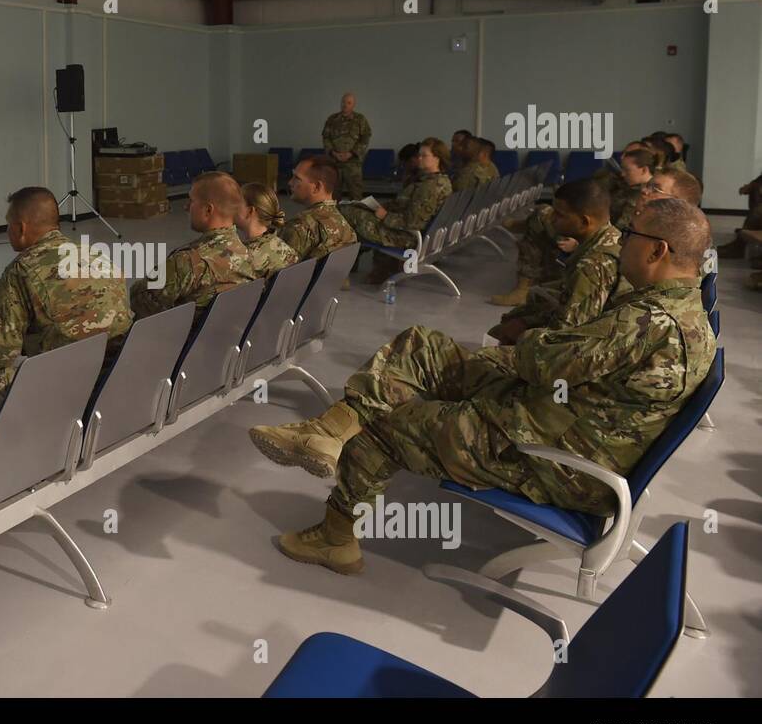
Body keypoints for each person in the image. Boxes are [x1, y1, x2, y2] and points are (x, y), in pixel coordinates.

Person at [248, 197, 715, 575]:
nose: (622, 243)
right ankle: (332, 429)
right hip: (561, 422)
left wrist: (536, 338)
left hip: (557, 458)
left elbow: (538, 360)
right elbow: (558, 360)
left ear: (658, 251)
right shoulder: (681, 313)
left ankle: (336, 538)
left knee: (395, 424)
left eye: (631, 236)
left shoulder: (645, 322)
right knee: (422, 346)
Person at [0, 186, 132, 441]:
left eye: (9, 225)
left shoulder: (21, 270)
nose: (7, 232)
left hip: (63, 382)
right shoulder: (98, 255)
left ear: (21, 228)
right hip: (113, 372)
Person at [488, 179, 623, 345]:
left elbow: (568, 333)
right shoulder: (612, 236)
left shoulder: (591, 265)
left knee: (508, 331)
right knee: (523, 311)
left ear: (584, 222)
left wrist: (525, 330)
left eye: (559, 215)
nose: (551, 219)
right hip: (602, 323)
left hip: (600, 342)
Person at [130, 172, 258, 323]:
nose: (186, 206)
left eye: (191, 201)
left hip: (181, 342)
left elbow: (138, 297)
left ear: (208, 210)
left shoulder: (188, 261)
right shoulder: (249, 254)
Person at [341, 138, 452, 285]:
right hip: (411, 232)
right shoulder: (437, 181)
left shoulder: (429, 187)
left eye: (424, 155)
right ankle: (368, 269)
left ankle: (344, 271)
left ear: (437, 158)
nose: (419, 158)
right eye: (419, 155)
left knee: (348, 215)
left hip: (406, 236)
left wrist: (385, 215)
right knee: (354, 211)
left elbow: (413, 222)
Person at [276, 156, 357, 262]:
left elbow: (276, 271)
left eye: (297, 178)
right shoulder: (343, 221)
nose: (290, 183)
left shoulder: (300, 226)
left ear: (317, 187)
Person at [238, 182, 298, 277]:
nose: (231, 209)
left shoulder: (245, 259)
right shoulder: (284, 247)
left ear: (250, 211)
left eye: (236, 205)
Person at [321, 92, 372, 201]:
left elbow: (366, 137)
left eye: (349, 103)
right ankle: (333, 218)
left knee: (356, 196)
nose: (345, 105)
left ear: (353, 105)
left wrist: (351, 153)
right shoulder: (332, 119)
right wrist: (333, 152)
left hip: (353, 164)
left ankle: (355, 217)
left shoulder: (360, 119)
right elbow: (326, 137)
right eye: (343, 102)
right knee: (332, 196)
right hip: (335, 162)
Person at [610, 147, 655, 228]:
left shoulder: (653, 193)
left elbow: (622, 226)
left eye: (627, 170)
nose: (623, 174)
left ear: (644, 170)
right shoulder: (628, 187)